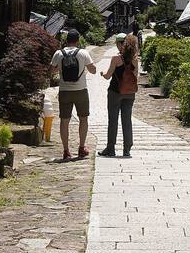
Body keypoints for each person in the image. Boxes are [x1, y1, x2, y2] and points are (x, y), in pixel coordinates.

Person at [50, 30, 96, 160]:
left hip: (64, 91)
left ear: (66, 40)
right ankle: (81, 148)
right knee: (83, 118)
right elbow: (93, 70)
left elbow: (51, 71)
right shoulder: (83, 53)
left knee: (64, 121)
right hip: (80, 90)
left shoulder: (59, 53)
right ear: (78, 40)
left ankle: (66, 151)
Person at [100, 30, 138, 158]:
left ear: (119, 44)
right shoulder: (135, 59)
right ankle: (127, 149)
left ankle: (110, 148)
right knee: (127, 120)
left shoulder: (116, 58)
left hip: (115, 92)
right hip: (130, 93)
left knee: (113, 120)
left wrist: (102, 73)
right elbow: (135, 76)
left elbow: (107, 76)